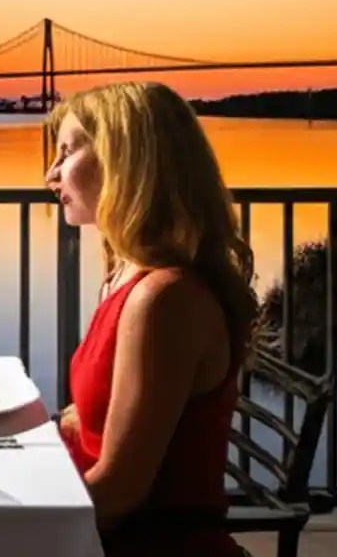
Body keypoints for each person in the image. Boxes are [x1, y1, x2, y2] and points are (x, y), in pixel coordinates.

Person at [44, 81, 258, 556]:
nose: (49, 174)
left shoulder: (164, 301)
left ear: (124, 162)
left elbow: (118, 496)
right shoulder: (126, 276)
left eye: (66, 152)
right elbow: (91, 419)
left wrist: (4, 525)